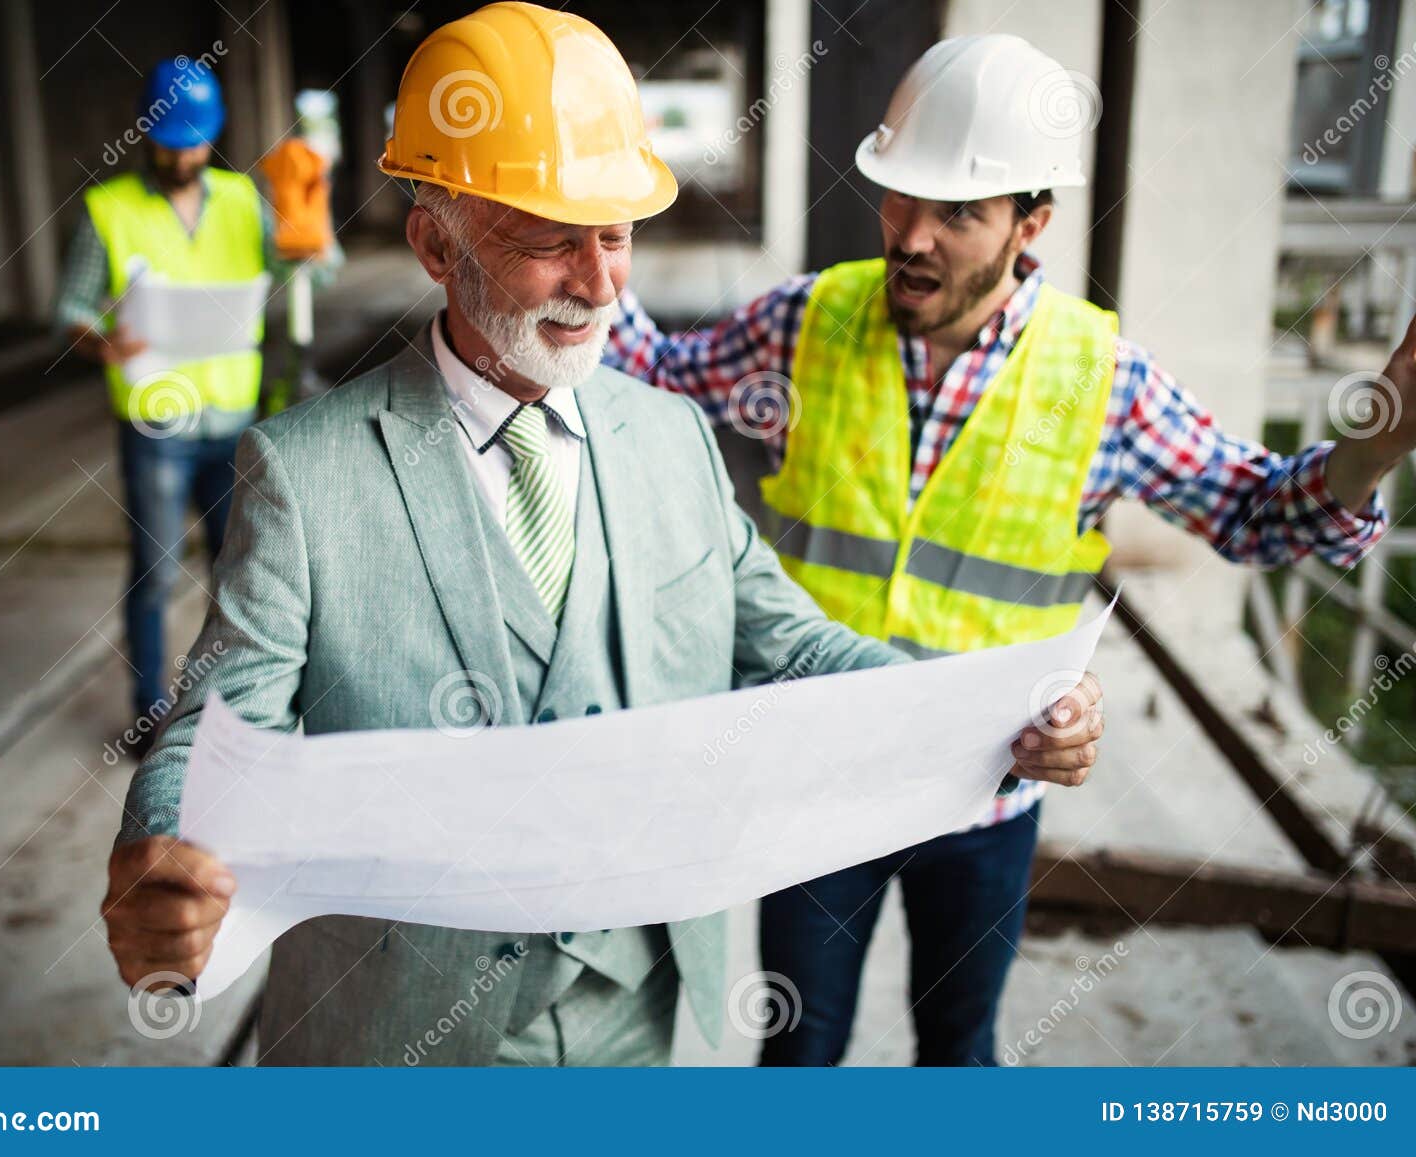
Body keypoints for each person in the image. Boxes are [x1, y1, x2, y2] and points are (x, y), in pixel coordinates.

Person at [100, 5, 1106, 1067]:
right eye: (546, 238)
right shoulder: (305, 474)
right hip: (400, 1033)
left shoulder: (672, 438)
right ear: (438, 244)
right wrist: (163, 854)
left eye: (617, 234)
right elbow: (209, 735)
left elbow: (796, 647)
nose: (597, 283)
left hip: (640, 1018)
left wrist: (988, 716)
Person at [602, 32, 1405, 1067]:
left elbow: (1251, 510)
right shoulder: (807, 324)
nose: (912, 236)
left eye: (958, 213)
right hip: (817, 778)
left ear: (1032, 222)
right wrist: (595, 212)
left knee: (958, 1051)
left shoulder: (1098, 374)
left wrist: (1377, 446)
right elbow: (650, 372)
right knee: (795, 1061)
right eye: (900, 197)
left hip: (985, 797)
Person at [54, 57, 284, 751]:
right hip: (156, 422)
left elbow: (303, 268)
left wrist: (310, 239)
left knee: (236, 577)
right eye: (171, 139)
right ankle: (151, 713)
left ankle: (227, 711)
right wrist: (101, 340)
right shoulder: (108, 210)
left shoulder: (245, 201)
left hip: (231, 419)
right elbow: (70, 306)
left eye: (195, 140)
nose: (183, 152)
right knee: (155, 572)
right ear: (146, 133)